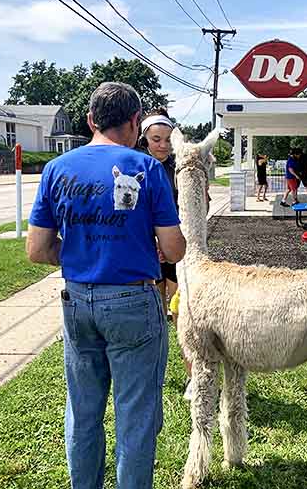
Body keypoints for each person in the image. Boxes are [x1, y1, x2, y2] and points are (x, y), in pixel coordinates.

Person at [26, 82, 185, 489]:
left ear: (92, 120)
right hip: (134, 300)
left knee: (83, 411)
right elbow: (173, 247)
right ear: (135, 122)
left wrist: (83, 250)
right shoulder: (147, 169)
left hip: (77, 301)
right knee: (136, 415)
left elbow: (38, 249)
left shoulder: (56, 170)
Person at [137, 107, 195, 400]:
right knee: (151, 317)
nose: (162, 145)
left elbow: (198, 207)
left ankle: (192, 378)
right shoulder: (135, 168)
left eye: (168, 139)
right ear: (144, 139)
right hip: (146, 254)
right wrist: (153, 243)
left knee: (180, 315)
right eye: (156, 139)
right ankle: (151, 375)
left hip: (176, 252)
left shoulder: (180, 169)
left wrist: (171, 242)